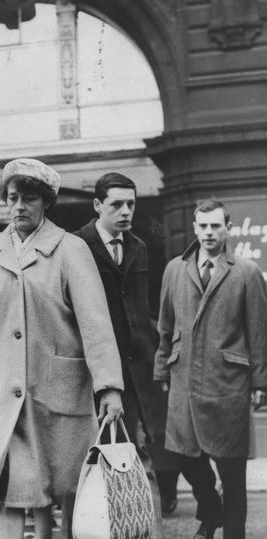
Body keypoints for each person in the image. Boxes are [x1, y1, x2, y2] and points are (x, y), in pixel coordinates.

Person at [0, 158, 124, 539]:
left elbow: (96, 325)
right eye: (13, 197)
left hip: (59, 390)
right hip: (6, 393)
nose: (19, 206)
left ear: (46, 202)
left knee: (65, 491)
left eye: (30, 198)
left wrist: (110, 387)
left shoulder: (70, 249)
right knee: (9, 488)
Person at [154, 199, 267, 539]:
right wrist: (162, 369)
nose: (208, 233)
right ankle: (210, 507)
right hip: (183, 377)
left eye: (216, 226)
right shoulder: (175, 268)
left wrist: (261, 381)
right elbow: (164, 325)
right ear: (194, 228)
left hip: (228, 381)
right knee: (182, 455)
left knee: (232, 474)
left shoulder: (246, 272)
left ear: (227, 228)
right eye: (203, 226)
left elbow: (258, 332)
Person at [72, 172, 175, 529]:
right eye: (117, 204)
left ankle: (136, 528)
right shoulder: (77, 246)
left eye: (131, 203)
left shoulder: (138, 246)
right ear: (98, 205)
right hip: (97, 371)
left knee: (134, 455)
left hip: (138, 367)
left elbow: (140, 308)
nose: (126, 211)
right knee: (94, 460)